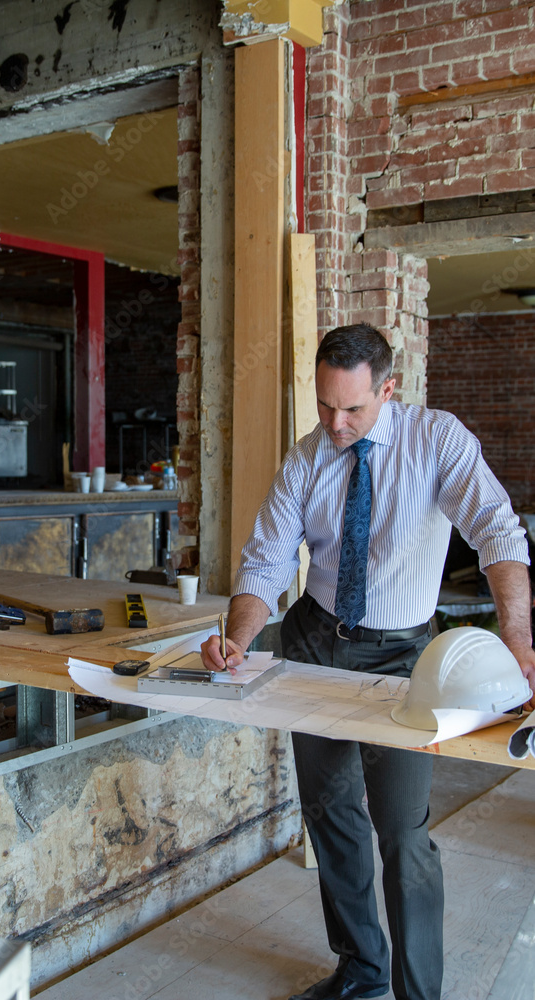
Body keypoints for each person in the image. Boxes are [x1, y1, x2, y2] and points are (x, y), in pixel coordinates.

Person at [201, 324, 535, 1000]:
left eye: (351, 408)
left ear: (388, 389)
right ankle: (360, 972)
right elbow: (265, 561)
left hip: (406, 656)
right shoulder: (305, 458)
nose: (335, 423)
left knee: (403, 832)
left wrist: (518, 637)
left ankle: (419, 994)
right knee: (330, 813)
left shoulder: (437, 439)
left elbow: (497, 531)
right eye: (324, 406)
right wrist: (238, 637)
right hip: (315, 641)